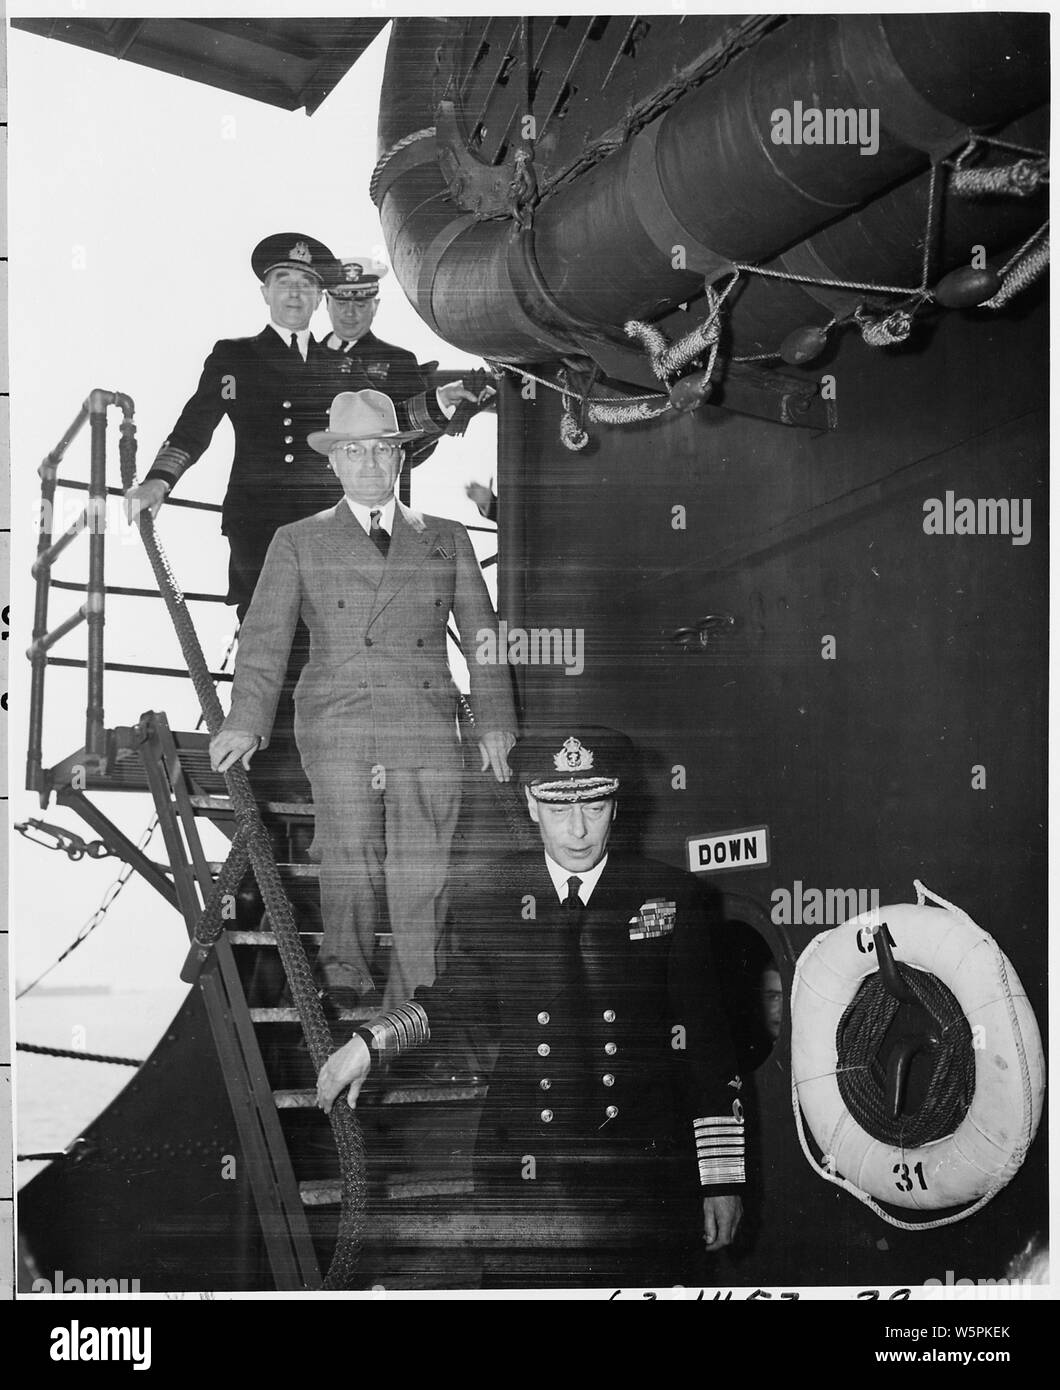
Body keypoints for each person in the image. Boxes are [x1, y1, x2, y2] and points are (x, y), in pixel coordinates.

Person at [317, 726, 746, 1286]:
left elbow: (707, 1049)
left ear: (615, 804)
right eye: (558, 806)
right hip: (525, 1170)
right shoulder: (492, 893)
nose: (577, 829)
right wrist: (372, 1043)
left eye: (594, 804)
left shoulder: (670, 896)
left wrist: (721, 1179)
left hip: (640, 1173)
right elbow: (454, 996)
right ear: (530, 804)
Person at [209, 389, 517, 1011]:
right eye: (354, 450)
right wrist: (246, 722)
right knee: (348, 852)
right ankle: (347, 978)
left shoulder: (447, 538)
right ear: (334, 462)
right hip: (339, 722)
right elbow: (264, 639)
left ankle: (416, 1002)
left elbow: (483, 637)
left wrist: (495, 724)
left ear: (401, 458)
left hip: (425, 724)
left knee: (423, 871)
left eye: (382, 449)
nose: (370, 463)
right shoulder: (297, 540)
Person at [124, 232, 347, 619]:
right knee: (267, 633)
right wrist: (161, 479)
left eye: (306, 284)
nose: (295, 293)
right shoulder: (236, 356)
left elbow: (382, 421)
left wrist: (442, 402)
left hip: (326, 518)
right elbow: (197, 422)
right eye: (284, 282)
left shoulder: (341, 365)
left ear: (319, 297)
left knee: (332, 633)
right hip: (259, 520)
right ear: (265, 293)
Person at [321, 256, 492, 466]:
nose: (350, 312)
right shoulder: (302, 358)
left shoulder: (399, 361)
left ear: (375, 306)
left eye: (361, 304)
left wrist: (440, 405)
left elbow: (416, 448)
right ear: (326, 302)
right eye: (341, 302)